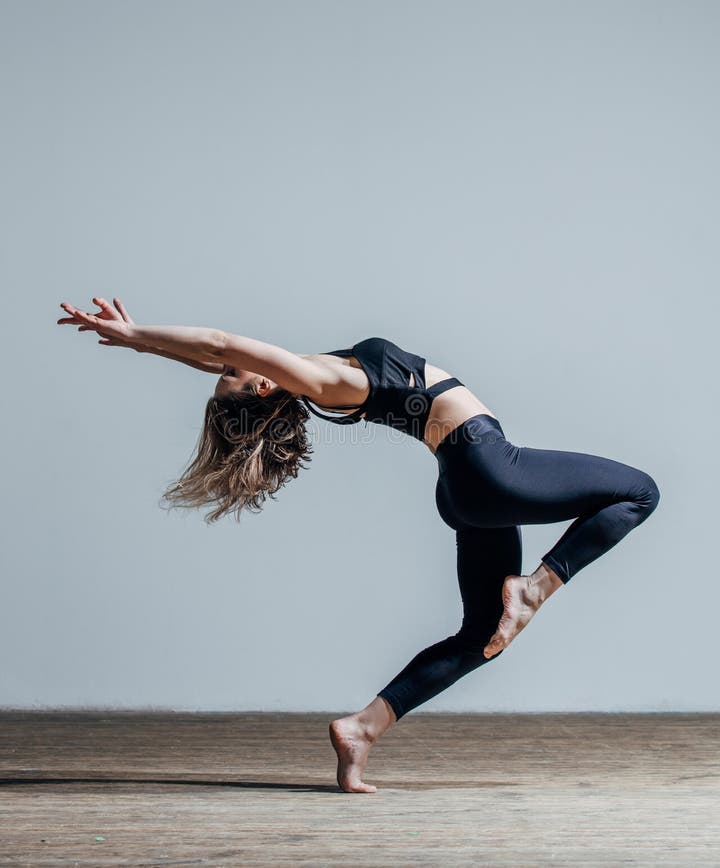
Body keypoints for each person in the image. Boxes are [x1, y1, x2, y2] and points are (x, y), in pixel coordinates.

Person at [58, 297, 661, 794]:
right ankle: (535, 588)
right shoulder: (325, 381)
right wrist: (136, 332)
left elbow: (210, 356)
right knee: (639, 492)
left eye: (220, 377)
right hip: (489, 467)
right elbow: (218, 343)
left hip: (463, 490)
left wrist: (142, 343)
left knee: (483, 636)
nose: (220, 369)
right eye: (229, 378)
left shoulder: (308, 379)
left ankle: (362, 729)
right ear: (264, 387)